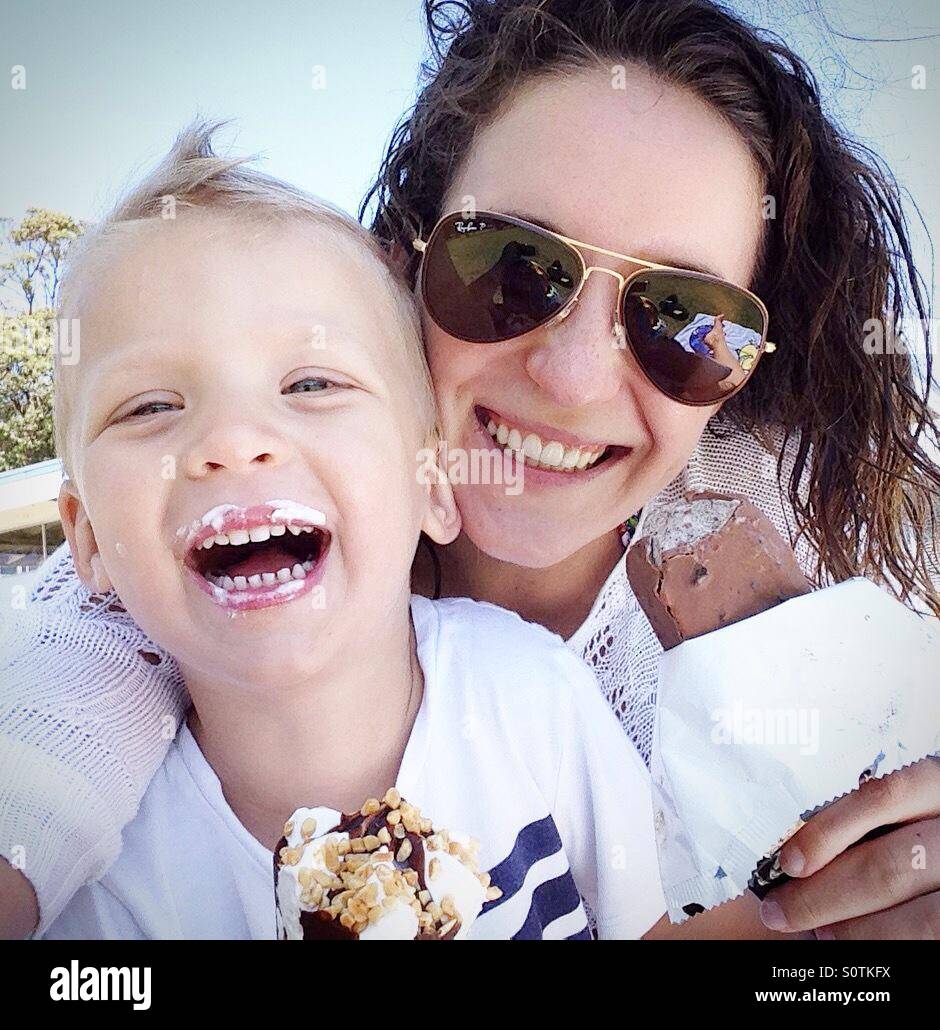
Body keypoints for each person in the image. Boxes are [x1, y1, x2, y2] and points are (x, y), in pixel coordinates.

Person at [2, 0, 938, 940]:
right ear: (404, 260)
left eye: (684, 320)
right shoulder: (140, 602)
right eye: (510, 263)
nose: (571, 379)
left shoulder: (777, 552)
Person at [35, 128, 664, 939]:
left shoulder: (533, 699)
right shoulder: (108, 887)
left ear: (433, 483)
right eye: (150, 406)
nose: (232, 440)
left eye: (312, 382)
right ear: (88, 542)